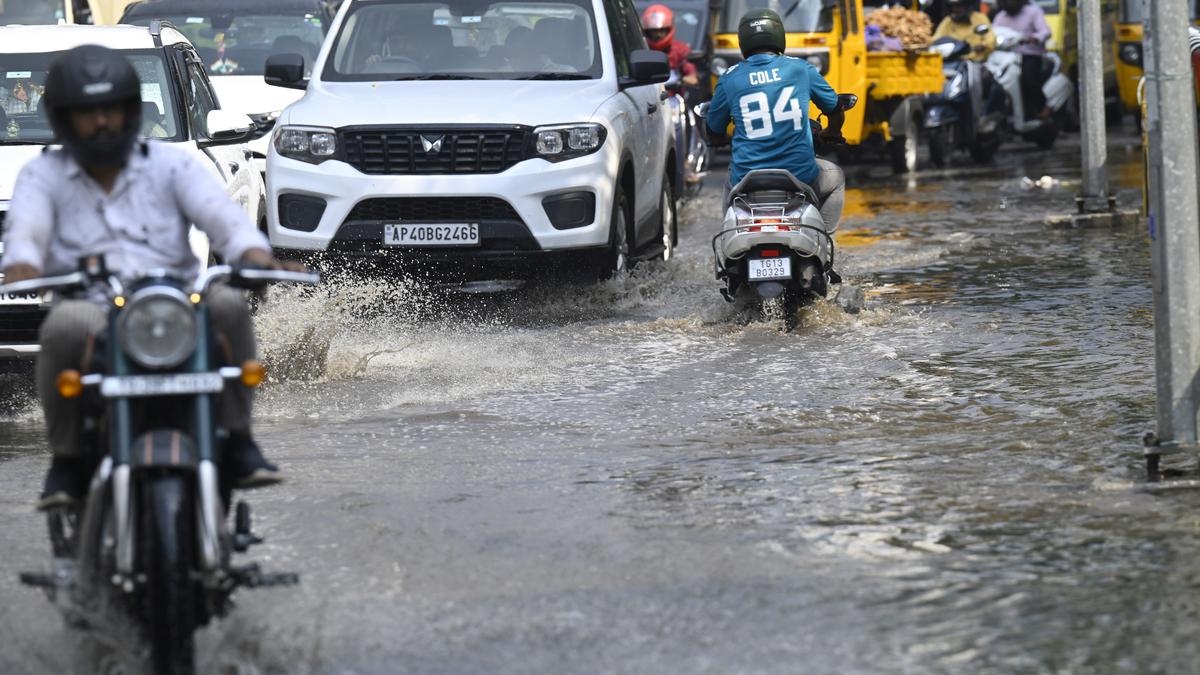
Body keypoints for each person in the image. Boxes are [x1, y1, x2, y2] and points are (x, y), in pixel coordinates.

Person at [0, 45, 303, 510]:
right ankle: (66, 461)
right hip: (91, 309)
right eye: (86, 113)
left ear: (129, 111)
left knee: (226, 305)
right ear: (64, 118)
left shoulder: (172, 163)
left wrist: (254, 255)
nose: (101, 122)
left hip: (174, 304)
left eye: (111, 110)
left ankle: (239, 439)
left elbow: (224, 218)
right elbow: (26, 230)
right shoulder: (43, 174)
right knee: (61, 325)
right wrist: (21, 264)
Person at [705, 8, 846, 230]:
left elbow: (713, 128)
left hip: (747, 180)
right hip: (800, 177)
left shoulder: (729, 78)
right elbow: (835, 108)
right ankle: (824, 239)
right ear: (779, 35)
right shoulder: (800, 69)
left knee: (729, 185)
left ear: (743, 40)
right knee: (836, 177)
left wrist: (722, 138)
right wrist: (832, 132)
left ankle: (729, 239)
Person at [992, 0, 1052, 119]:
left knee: (1029, 80)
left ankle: (1042, 107)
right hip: (1005, 56)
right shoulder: (1000, 17)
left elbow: (1045, 31)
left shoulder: (1033, 12)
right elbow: (991, 34)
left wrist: (1034, 38)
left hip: (1028, 54)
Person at [641, 4, 699, 88]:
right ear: (647, 32)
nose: (658, 35)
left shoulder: (680, 49)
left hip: (673, 97)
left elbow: (691, 73)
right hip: (647, 96)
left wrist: (688, 78)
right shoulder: (642, 50)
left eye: (661, 30)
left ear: (669, 29)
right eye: (653, 31)